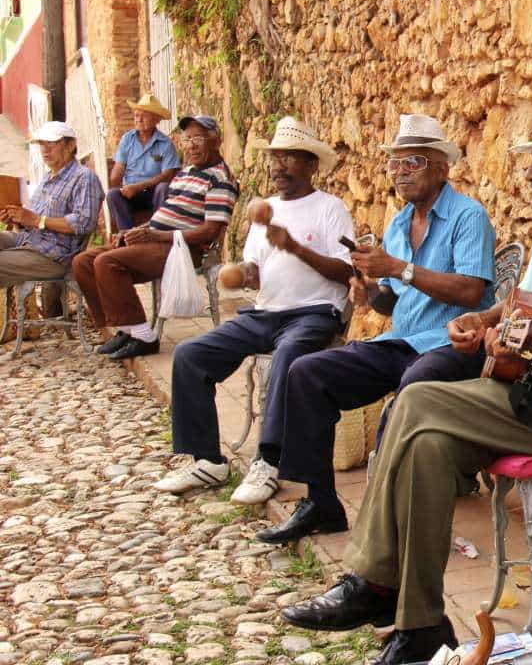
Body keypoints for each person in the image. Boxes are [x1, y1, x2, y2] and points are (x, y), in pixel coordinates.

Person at [279, 104, 532, 665]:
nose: (529, 172)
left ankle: (372, 578)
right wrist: (483, 323)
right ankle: (421, 626)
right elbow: (516, 306)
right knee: (427, 449)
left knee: (419, 395)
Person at [255, 114, 496, 543]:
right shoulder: (401, 222)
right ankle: (321, 503)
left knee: (414, 380)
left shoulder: (467, 215)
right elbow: (392, 301)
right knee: (307, 373)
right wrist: (368, 292)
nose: (400, 173)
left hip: (456, 342)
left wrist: (399, 269)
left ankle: (390, 517)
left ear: (442, 168)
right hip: (403, 341)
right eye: (395, 164)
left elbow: (470, 289)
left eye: (413, 162)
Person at [153, 118, 353, 504]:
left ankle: (270, 461)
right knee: (191, 355)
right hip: (265, 314)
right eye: (275, 158)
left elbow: (347, 273)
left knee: (287, 358)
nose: (278, 167)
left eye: (290, 158)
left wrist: (294, 247)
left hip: (313, 313)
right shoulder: (265, 210)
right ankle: (208, 460)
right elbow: (256, 272)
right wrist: (241, 274)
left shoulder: (330, 208)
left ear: (311, 165)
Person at [73, 115, 238, 360]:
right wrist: (137, 231)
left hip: (183, 248)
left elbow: (209, 231)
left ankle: (145, 337)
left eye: (198, 139)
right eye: (187, 139)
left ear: (216, 140)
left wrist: (156, 235)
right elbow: (166, 214)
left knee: (106, 262)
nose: (191, 145)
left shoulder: (221, 180)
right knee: (83, 262)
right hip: (158, 240)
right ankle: (125, 328)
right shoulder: (186, 172)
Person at [0, 121, 103, 315]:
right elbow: (32, 221)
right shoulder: (47, 178)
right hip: (29, 241)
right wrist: (17, 219)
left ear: (70, 145)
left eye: (52, 144)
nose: (45, 150)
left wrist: (37, 220)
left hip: (54, 256)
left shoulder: (84, 177)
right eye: (42, 144)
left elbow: (84, 222)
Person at [106, 94, 180, 230]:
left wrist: (139, 186)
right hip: (132, 193)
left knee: (163, 187)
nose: (139, 119)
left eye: (144, 116)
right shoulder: (127, 139)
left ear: (156, 119)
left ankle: (158, 232)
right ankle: (127, 236)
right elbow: (118, 170)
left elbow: (168, 175)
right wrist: (117, 181)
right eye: (136, 115)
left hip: (154, 192)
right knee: (112, 195)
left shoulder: (165, 144)